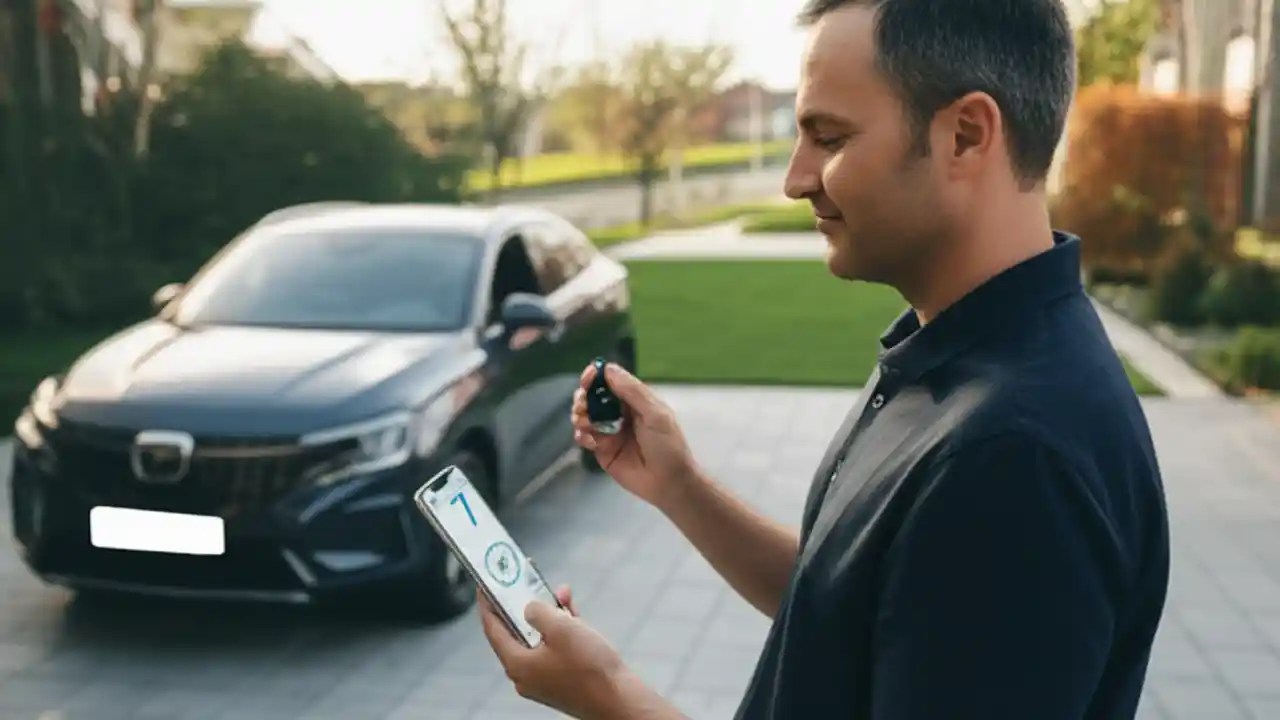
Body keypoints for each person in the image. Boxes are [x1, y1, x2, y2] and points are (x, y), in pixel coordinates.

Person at [477, 0, 1171, 717]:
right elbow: (859, 605)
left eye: (830, 138)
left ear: (966, 135)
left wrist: (605, 695)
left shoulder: (1014, 460)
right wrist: (681, 487)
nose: (796, 178)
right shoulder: (955, 352)